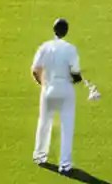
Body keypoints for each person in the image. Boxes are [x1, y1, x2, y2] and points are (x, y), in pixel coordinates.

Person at [32, 18, 98, 174]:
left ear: (54, 30)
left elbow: (35, 70)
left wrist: (43, 84)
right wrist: (79, 79)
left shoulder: (44, 47)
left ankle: (40, 155)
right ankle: (65, 164)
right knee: (67, 127)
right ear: (66, 31)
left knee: (44, 123)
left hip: (48, 89)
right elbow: (74, 73)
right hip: (65, 89)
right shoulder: (70, 49)